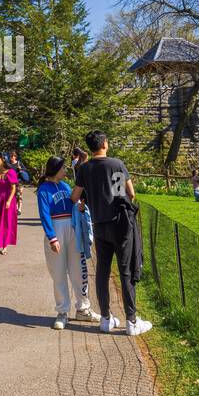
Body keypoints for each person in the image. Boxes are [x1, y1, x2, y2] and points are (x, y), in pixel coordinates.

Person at [71, 130, 152, 337]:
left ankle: (106, 318)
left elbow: (75, 196)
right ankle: (131, 321)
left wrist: (88, 200)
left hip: (99, 225)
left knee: (102, 271)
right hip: (119, 224)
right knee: (125, 271)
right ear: (104, 143)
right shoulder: (115, 164)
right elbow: (128, 194)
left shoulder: (85, 168)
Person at [36, 156, 98, 329]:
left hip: (72, 228)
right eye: (63, 168)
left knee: (78, 269)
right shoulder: (44, 189)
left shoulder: (65, 186)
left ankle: (83, 309)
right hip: (56, 230)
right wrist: (51, 237)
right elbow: (44, 214)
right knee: (58, 273)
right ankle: (62, 312)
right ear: (55, 169)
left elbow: (74, 203)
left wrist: (79, 207)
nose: (66, 171)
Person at [0, 154, 20, 254]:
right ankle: (0, 240)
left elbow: (13, 188)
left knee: (6, 222)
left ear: (3, 160)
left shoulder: (10, 172)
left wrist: (9, 201)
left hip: (8, 199)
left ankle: (5, 245)